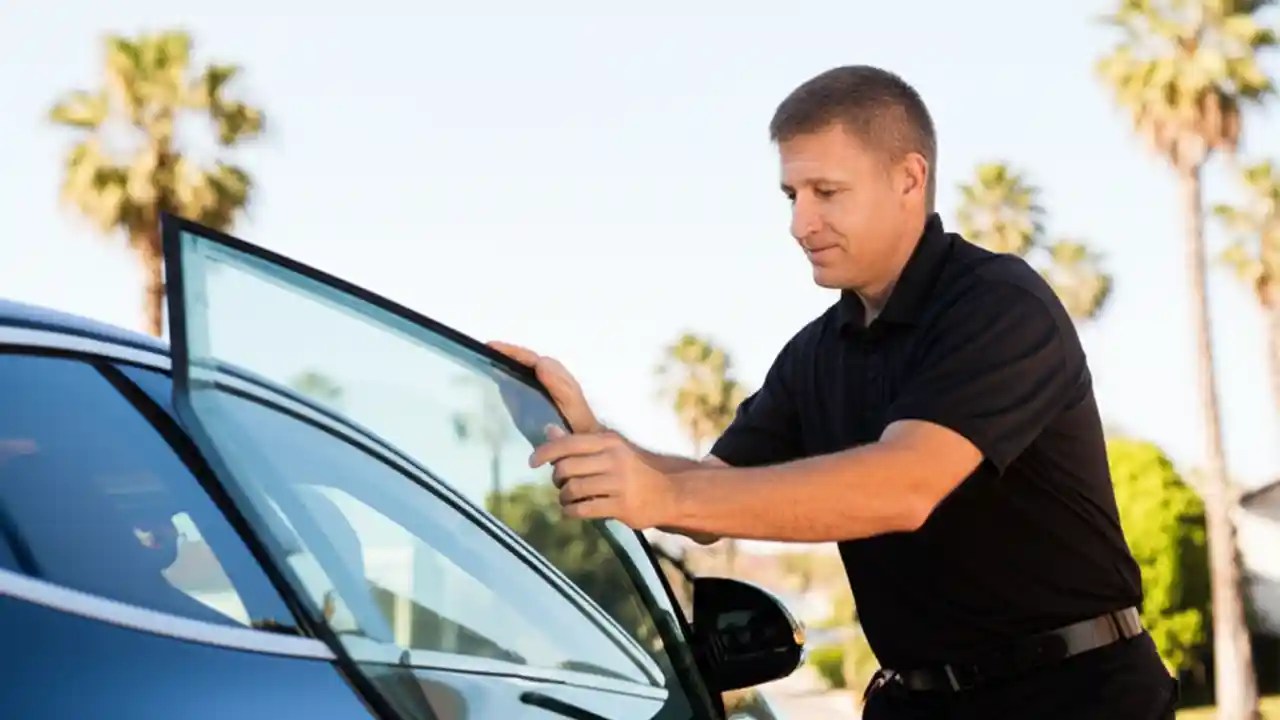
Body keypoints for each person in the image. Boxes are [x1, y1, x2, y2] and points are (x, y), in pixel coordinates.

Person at [490, 65, 1178, 719]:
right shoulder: (818, 352)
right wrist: (596, 440)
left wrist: (662, 495)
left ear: (910, 178)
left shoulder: (997, 304)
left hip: (1077, 698)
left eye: (827, 192)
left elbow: (904, 486)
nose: (800, 224)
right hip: (915, 703)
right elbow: (708, 496)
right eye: (793, 197)